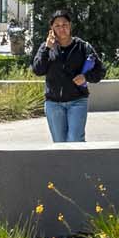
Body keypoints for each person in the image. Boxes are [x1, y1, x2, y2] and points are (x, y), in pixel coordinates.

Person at [30, 10, 106, 143]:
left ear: (70, 26)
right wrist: (47, 48)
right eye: (57, 26)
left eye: (64, 24)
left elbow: (100, 71)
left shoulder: (83, 47)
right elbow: (38, 70)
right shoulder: (46, 48)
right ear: (51, 29)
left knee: (75, 140)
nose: (61, 29)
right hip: (53, 103)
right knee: (59, 142)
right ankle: (63, 165)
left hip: (77, 101)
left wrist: (85, 77)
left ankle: (77, 164)